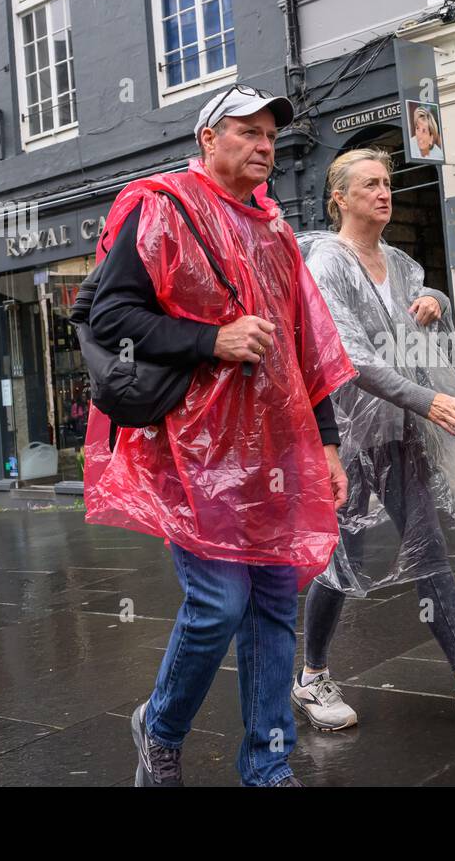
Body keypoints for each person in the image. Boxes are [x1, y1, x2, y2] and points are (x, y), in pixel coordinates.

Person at [84, 85, 355, 787]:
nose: (265, 145)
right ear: (208, 138)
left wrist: (325, 444)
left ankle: (267, 766)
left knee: (271, 605)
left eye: (271, 135)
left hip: (270, 450)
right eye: (247, 132)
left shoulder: (275, 229)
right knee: (218, 602)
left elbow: (305, 346)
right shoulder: (163, 206)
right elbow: (109, 316)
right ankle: (161, 725)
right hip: (189, 450)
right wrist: (213, 339)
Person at [295, 148, 455, 731]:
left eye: (387, 184)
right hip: (350, 436)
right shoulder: (326, 265)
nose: (384, 194)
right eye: (369, 186)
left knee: (427, 543)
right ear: (339, 197)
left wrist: (439, 303)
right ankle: (310, 676)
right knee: (347, 556)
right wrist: (429, 401)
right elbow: (351, 360)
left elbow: (423, 329)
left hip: (404, 430)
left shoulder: (403, 263)